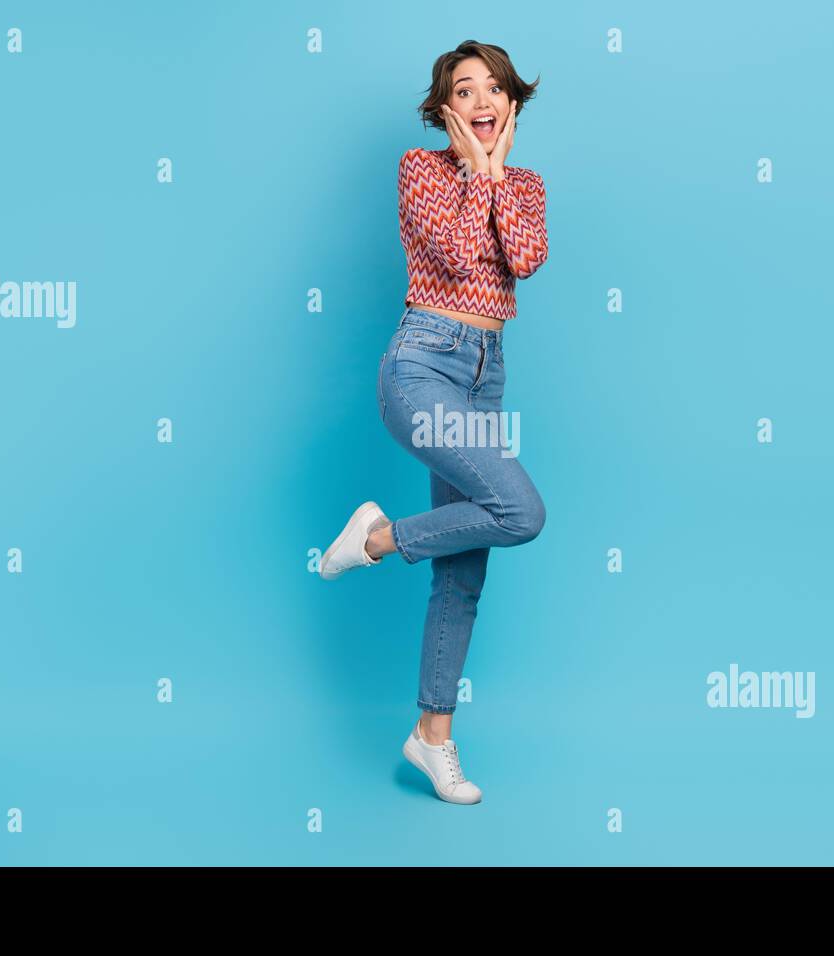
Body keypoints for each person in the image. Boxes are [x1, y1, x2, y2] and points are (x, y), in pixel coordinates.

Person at [319, 41, 548, 805]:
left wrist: (493, 175)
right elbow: (451, 256)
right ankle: (378, 540)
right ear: (444, 109)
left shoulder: (528, 187)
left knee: (465, 571)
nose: (480, 99)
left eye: (493, 88)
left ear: (512, 103)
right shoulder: (418, 172)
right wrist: (476, 174)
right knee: (520, 513)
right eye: (463, 89)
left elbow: (527, 256)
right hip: (421, 365)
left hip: (487, 373)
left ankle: (432, 738)